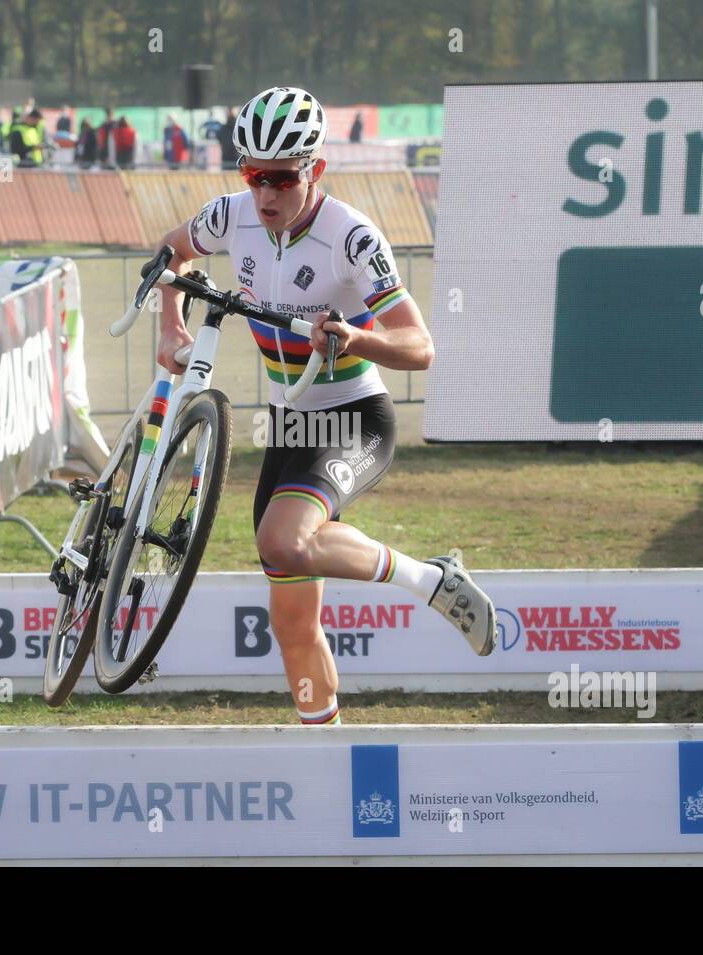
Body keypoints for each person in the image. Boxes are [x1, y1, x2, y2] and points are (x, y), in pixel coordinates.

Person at [152, 86, 497, 727]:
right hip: (292, 427)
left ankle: (430, 580)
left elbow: (420, 346)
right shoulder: (233, 216)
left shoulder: (353, 238)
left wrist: (358, 335)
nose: (266, 196)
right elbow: (169, 255)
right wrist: (170, 324)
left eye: (281, 178)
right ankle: (326, 748)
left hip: (354, 420)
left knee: (282, 540)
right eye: (253, 175)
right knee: (291, 622)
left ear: (316, 169)